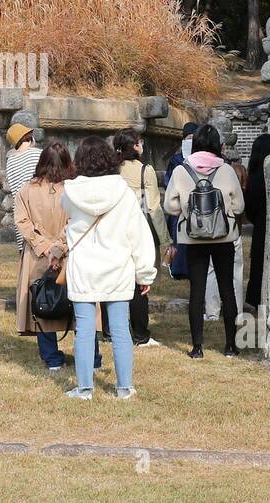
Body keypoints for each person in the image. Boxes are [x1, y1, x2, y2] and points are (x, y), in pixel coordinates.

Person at [62, 137, 157, 400]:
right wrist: (144, 273)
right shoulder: (124, 193)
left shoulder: (70, 193)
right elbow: (138, 235)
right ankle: (124, 387)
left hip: (84, 268)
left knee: (84, 329)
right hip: (117, 267)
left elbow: (67, 217)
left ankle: (84, 388)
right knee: (120, 329)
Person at [164, 122, 245, 360]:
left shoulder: (182, 170)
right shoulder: (227, 170)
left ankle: (197, 348)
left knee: (197, 292)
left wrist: (188, 210)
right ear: (217, 145)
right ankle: (231, 346)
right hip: (224, 237)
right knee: (227, 290)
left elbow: (169, 205)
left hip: (193, 239)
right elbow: (239, 205)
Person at [14, 142, 76, 371]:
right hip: (68, 253)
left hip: (39, 255)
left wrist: (45, 247)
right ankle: (91, 356)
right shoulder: (74, 189)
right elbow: (76, 223)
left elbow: (22, 222)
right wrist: (58, 248)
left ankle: (52, 358)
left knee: (43, 301)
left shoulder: (27, 189)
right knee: (81, 303)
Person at [112, 130, 172, 347]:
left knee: (115, 281)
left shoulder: (111, 170)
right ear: (135, 147)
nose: (143, 145)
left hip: (113, 231)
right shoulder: (145, 171)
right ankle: (140, 334)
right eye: (140, 142)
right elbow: (154, 207)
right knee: (139, 283)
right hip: (136, 229)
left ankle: (111, 331)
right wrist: (166, 240)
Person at [205, 142, 249, 323]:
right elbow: (240, 207)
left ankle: (212, 311)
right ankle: (237, 312)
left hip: (207, 229)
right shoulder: (233, 171)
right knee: (235, 271)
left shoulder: (198, 171)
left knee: (211, 271)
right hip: (231, 229)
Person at [164, 121, 199, 280]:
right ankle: (178, 268)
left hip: (197, 203)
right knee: (179, 237)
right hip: (179, 205)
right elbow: (168, 182)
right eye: (189, 138)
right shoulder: (175, 159)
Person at [243, 132, 270, 310]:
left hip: (260, 225)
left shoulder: (253, 177)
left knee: (258, 265)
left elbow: (249, 208)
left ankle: (254, 298)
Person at [4, 123, 41, 254]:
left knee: (25, 256)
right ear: (28, 137)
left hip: (19, 212)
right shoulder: (37, 155)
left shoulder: (10, 160)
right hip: (38, 213)